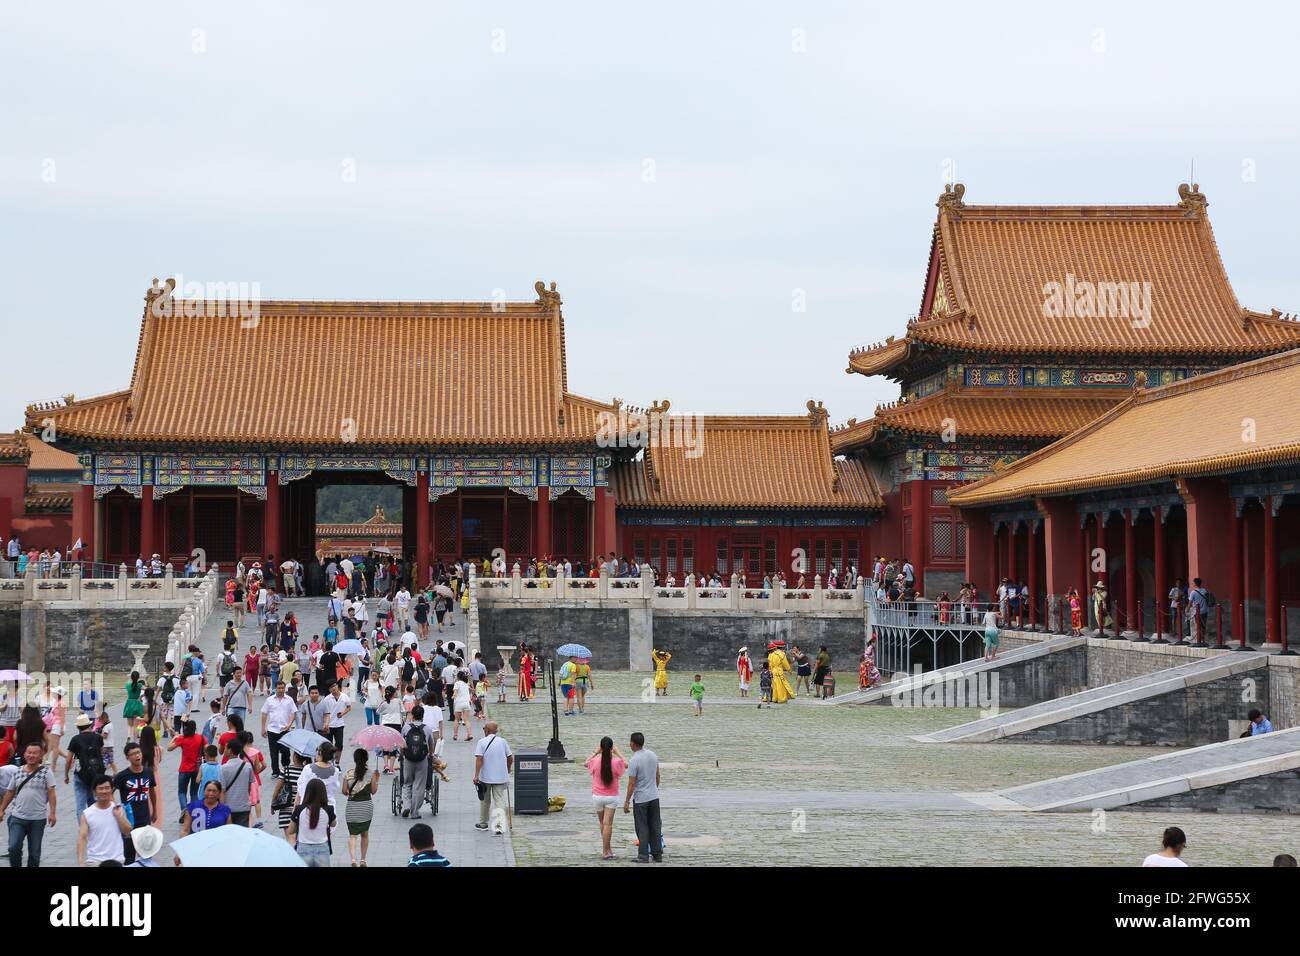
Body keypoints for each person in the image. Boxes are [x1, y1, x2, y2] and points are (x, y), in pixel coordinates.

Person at [1, 743, 57, 867]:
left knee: (34, 853)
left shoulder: (46, 772)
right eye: (29, 752)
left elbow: (51, 793)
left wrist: (52, 813)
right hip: (17, 817)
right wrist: (1, 809)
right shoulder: (18, 771)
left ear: (41, 755)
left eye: (34, 753)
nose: (31, 755)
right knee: (13, 847)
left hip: (37, 819)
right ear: (25, 754)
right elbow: (10, 792)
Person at [114, 741, 159, 863]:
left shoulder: (148, 772)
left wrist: (154, 810)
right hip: (129, 820)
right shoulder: (122, 776)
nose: (137, 756)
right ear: (127, 758)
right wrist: (116, 808)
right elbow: (110, 790)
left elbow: (151, 791)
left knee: (146, 853)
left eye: (138, 752)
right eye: (133, 754)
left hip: (145, 818)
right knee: (129, 855)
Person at [585, 736, 627, 860]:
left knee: (603, 823)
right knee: (608, 824)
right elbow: (627, 764)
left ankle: (608, 849)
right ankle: (605, 851)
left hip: (597, 796)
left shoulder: (595, 761)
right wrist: (617, 752)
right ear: (611, 748)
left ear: (601, 748)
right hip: (611, 797)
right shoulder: (616, 762)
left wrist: (595, 752)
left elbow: (585, 763)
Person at [623, 731, 662, 863]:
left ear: (633, 744)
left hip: (641, 799)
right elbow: (657, 776)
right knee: (655, 825)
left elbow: (631, 783)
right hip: (654, 796)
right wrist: (655, 788)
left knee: (642, 827)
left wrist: (627, 800)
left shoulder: (634, 760)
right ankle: (657, 854)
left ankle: (643, 855)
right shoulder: (652, 755)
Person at [77, 775, 130, 866]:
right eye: (101, 789)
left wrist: (119, 817)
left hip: (116, 860)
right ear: (94, 791)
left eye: (107, 788)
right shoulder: (87, 814)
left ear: (112, 789)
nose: (104, 791)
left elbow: (127, 832)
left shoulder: (118, 809)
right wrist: (81, 861)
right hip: (95, 861)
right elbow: (82, 837)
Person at [472, 720, 513, 834]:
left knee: (485, 800)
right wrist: (508, 768)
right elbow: (510, 757)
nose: (484, 730)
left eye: (484, 728)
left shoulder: (482, 742)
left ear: (487, 730)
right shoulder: (503, 742)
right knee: (499, 800)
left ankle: (483, 823)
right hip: (500, 776)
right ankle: (499, 825)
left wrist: (476, 775)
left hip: (486, 777)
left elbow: (479, 759)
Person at [342, 748, 380, 866]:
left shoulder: (348, 773)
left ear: (354, 759)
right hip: (366, 807)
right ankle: (363, 860)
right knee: (365, 834)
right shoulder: (372, 773)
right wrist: (377, 780)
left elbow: (344, 791)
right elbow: (373, 791)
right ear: (366, 759)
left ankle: (353, 859)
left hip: (352, 807)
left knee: (352, 835)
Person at [64, 713, 106, 819]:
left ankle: (83, 829)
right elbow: (102, 754)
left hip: (81, 774)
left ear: (78, 727)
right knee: (93, 802)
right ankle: (95, 825)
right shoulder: (98, 738)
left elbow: (68, 759)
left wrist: (66, 775)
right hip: (96, 774)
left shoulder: (75, 739)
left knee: (80, 806)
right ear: (90, 725)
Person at [287, 777, 335, 867]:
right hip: (322, 848)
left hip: (303, 848)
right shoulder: (328, 809)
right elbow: (333, 824)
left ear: (307, 792)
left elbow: (290, 831)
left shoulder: (299, 809)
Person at [400, 705, 435, 819]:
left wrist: (401, 754)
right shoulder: (427, 728)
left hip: (408, 759)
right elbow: (431, 744)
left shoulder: (406, 728)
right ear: (423, 716)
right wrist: (431, 754)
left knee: (407, 783)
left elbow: (402, 743)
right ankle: (414, 812)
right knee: (419, 786)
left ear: (413, 715)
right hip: (422, 760)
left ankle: (406, 805)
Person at [167, 720, 205, 818]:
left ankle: (184, 810)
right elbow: (207, 748)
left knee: (182, 791)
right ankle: (195, 813)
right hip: (196, 769)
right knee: (194, 792)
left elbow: (169, 748)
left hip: (184, 769)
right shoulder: (200, 738)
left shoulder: (182, 738)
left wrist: (174, 738)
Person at [260, 681, 296, 777]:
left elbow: (293, 713)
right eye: (279, 688)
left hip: (285, 730)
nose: (281, 690)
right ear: (275, 688)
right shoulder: (269, 700)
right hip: (272, 730)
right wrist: (263, 728)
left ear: (285, 689)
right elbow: (264, 713)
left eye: (282, 688)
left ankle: (286, 768)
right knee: (273, 753)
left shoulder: (289, 700)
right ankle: (275, 771)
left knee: (285, 751)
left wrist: (289, 724)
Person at [218, 738, 255, 826]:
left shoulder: (223, 768)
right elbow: (249, 788)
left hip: (228, 808)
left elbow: (222, 791)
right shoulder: (248, 766)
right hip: (243, 807)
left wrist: (222, 809)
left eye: (226, 748)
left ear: (230, 750)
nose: (225, 750)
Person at [323, 681, 352, 757]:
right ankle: (329, 761)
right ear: (329, 690)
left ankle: (337, 762)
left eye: (334, 686)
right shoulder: (327, 699)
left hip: (339, 724)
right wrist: (326, 724)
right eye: (330, 687)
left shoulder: (344, 696)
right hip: (329, 725)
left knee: (339, 745)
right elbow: (324, 713)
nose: (333, 688)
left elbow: (349, 707)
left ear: (337, 686)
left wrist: (343, 713)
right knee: (328, 746)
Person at [122, 671, 145, 741]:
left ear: (131, 677)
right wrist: (141, 697)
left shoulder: (127, 685)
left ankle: (128, 736)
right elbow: (148, 690)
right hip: (137, 703)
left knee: (129, 724)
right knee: (136, 724)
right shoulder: (140, 685)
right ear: (138, 677)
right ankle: (134, 740)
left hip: (129, 703)